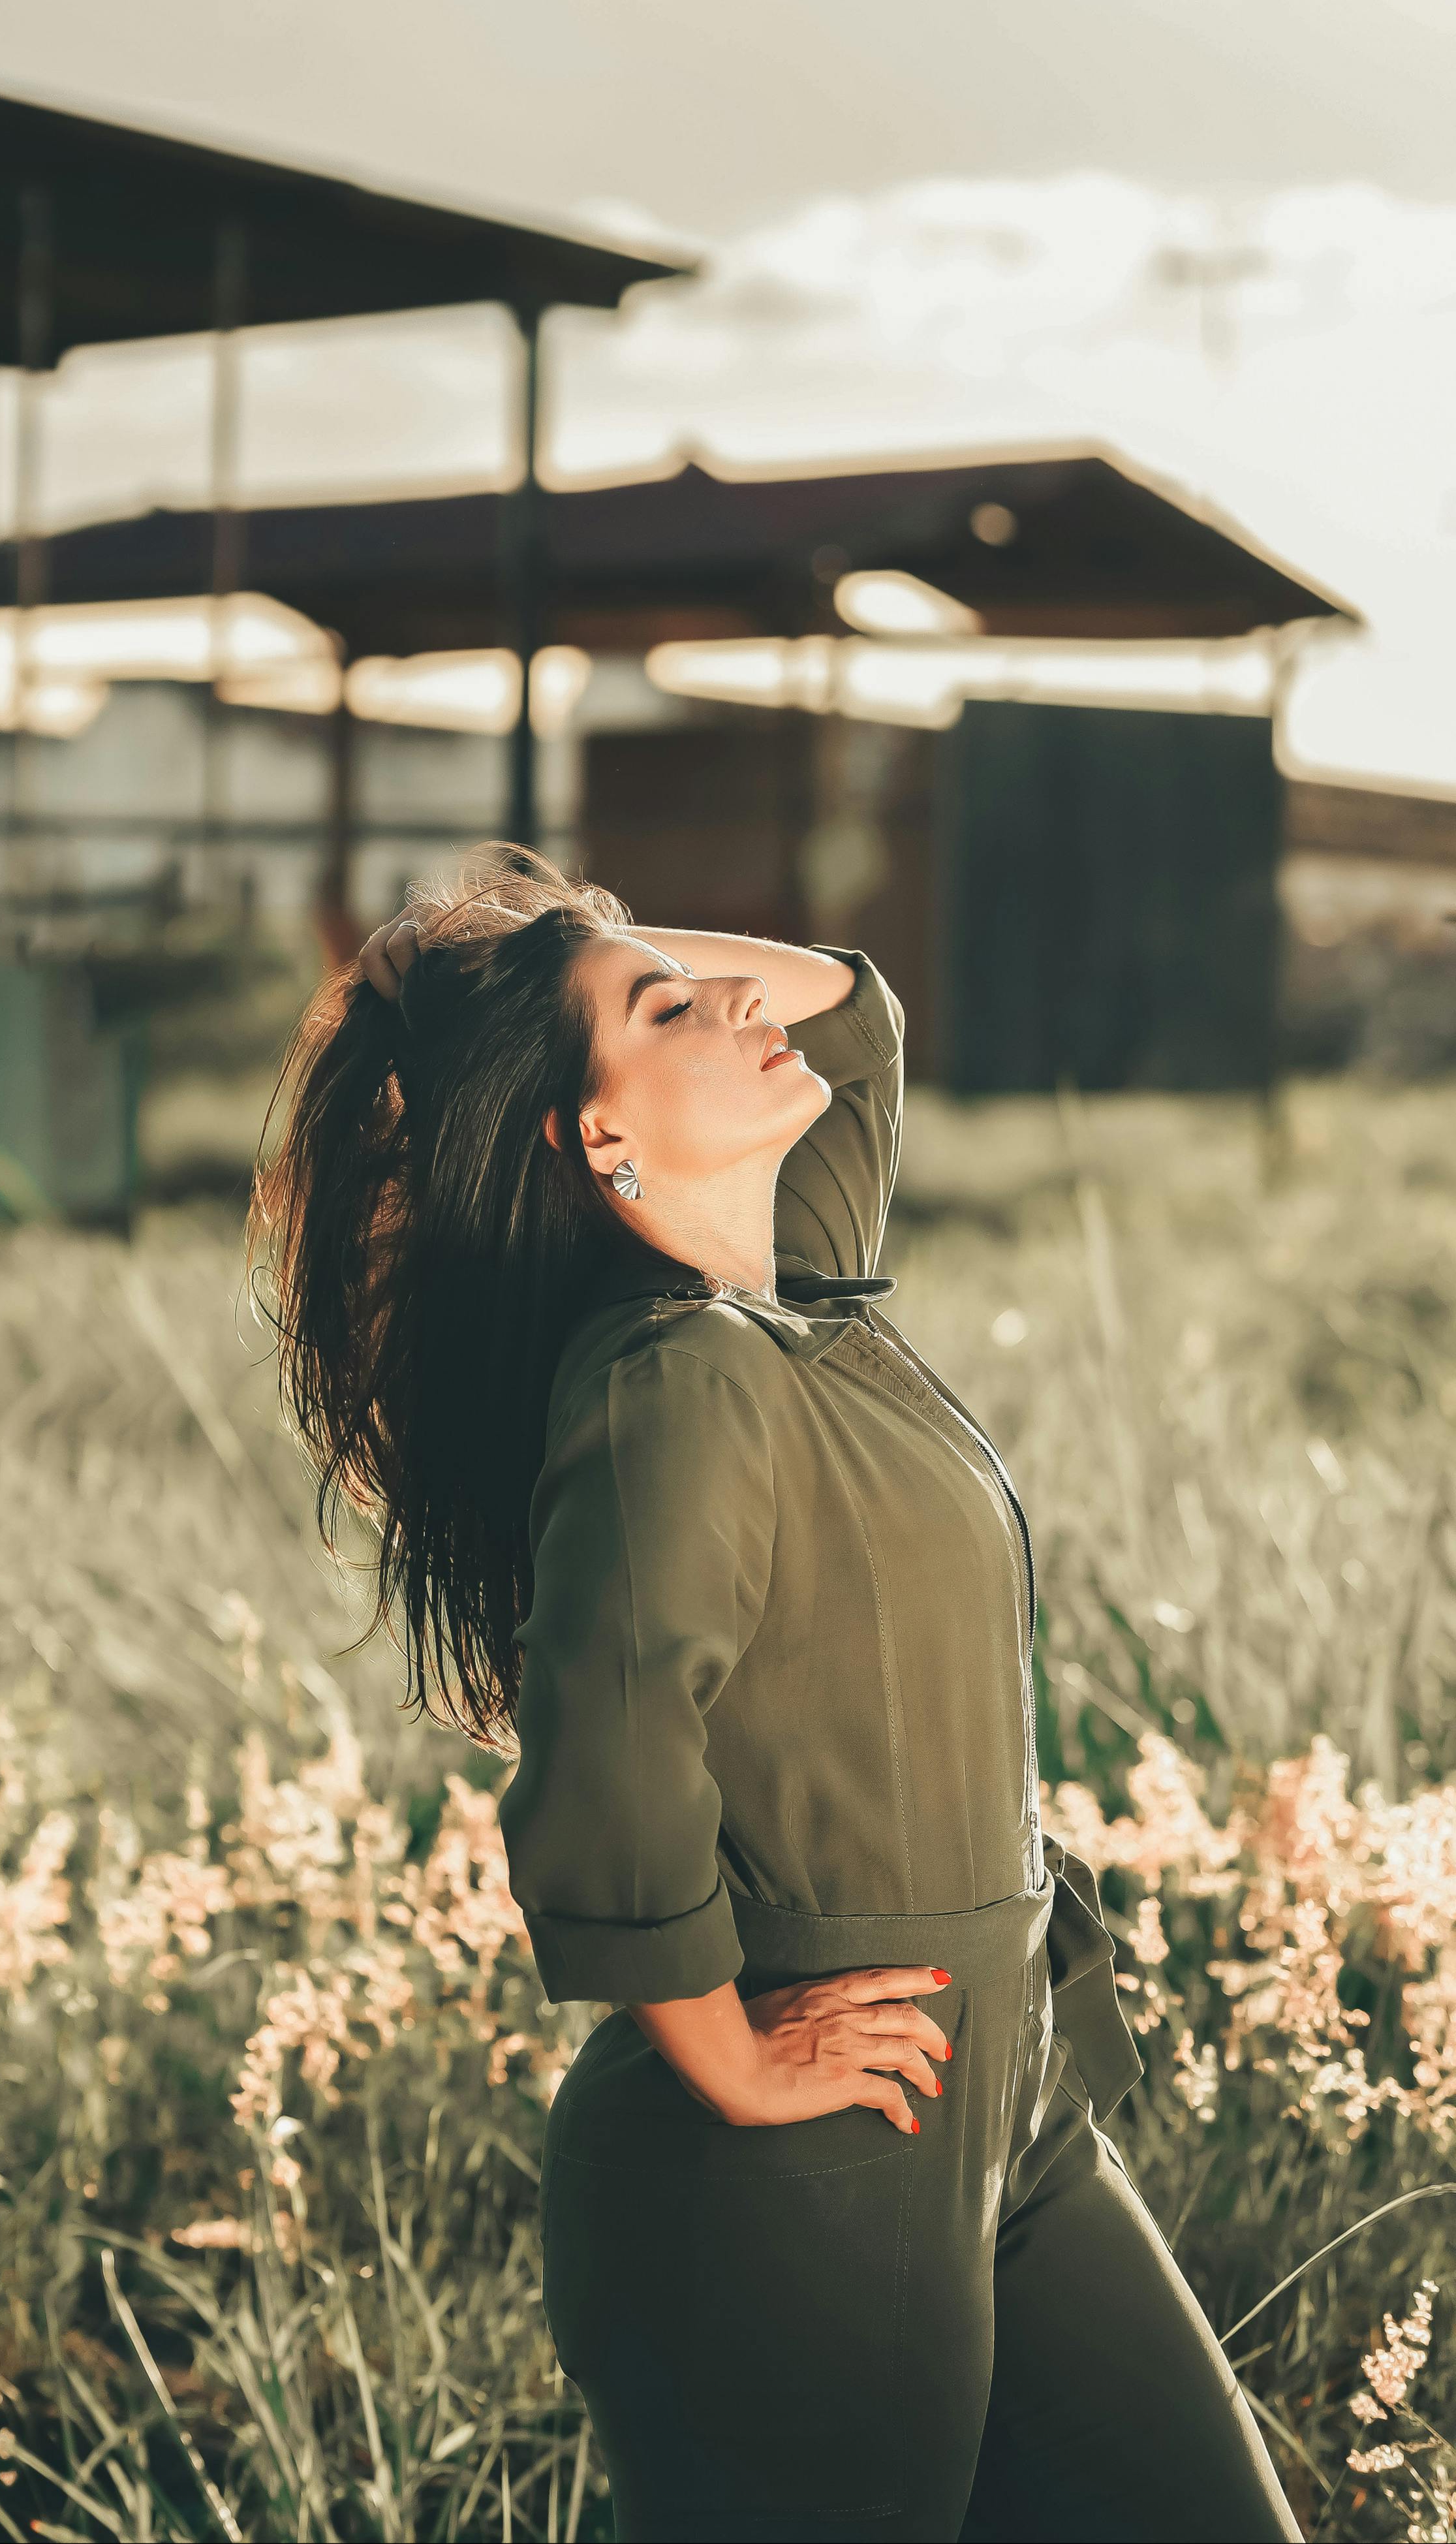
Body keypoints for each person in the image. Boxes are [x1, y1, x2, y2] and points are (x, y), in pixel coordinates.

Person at [247, 841, 1301, 2544]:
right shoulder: (672, 1383)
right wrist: (730, 2059)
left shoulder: (793, 1300)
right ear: (598, 1139)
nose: (734, 994)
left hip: (1005, 2102)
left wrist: (567, 956)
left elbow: (855, 1011)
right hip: (808, 2152)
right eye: (670, 1008)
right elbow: (603, 1745)